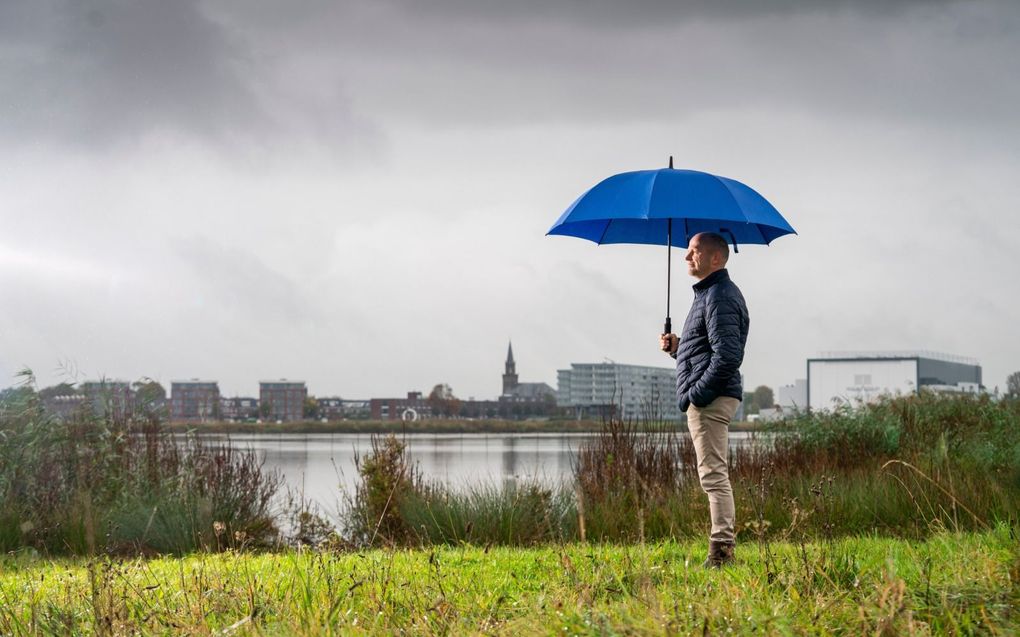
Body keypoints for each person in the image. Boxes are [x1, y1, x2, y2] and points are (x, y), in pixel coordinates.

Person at [659, 231, 749, 568]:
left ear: (716, 258)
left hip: (711, 398)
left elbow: (727, 356)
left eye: (694, 251)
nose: (686, 257)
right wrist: (678, 347)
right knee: (713, 473)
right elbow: (707, 350)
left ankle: (722, 554)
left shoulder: (720, 295)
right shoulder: (709, 294)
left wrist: (697, 393)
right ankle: (721, 551)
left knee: (713, 475)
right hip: (711, 394)